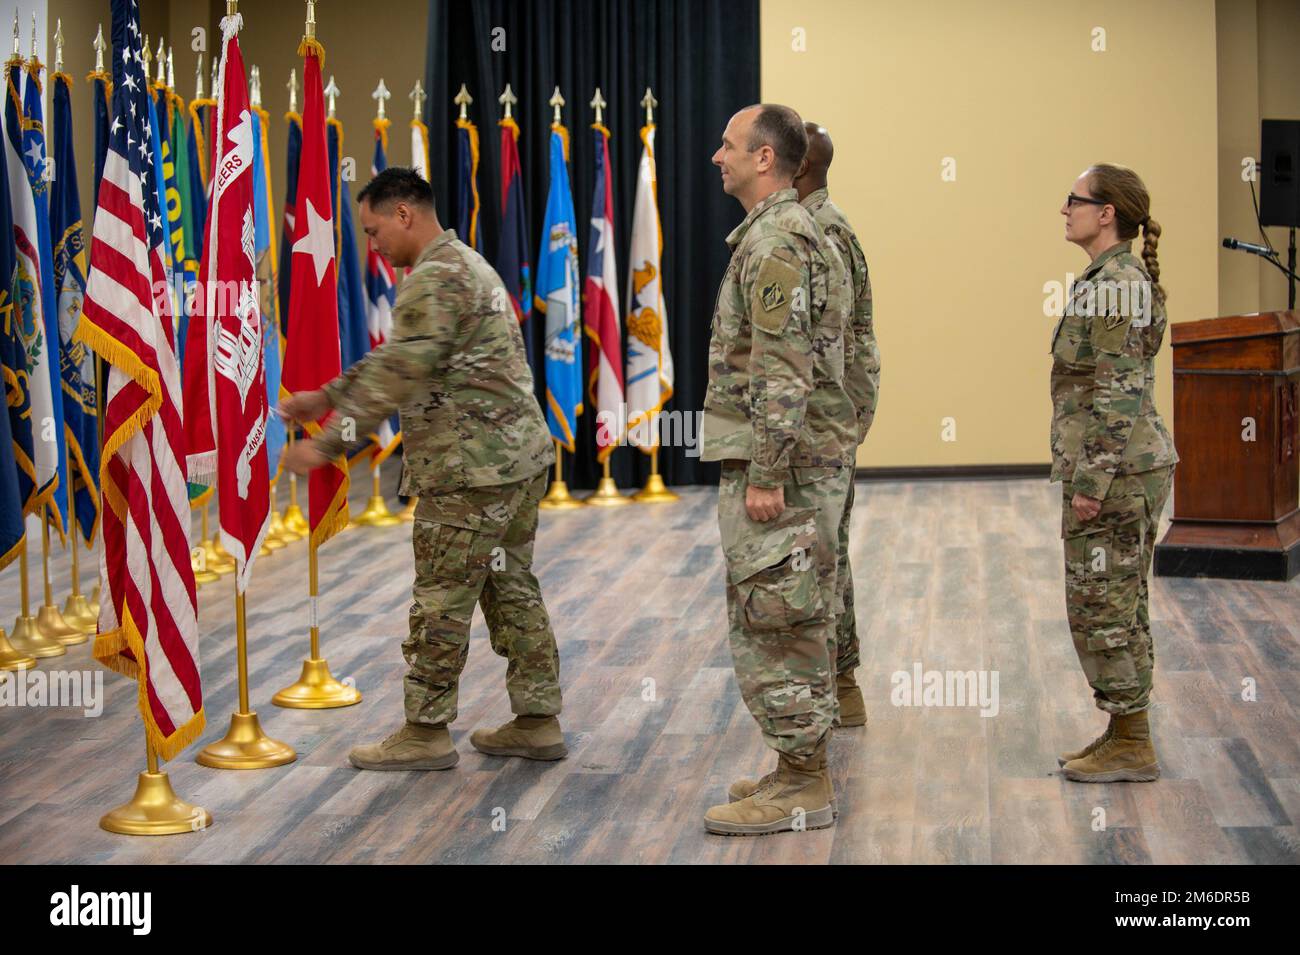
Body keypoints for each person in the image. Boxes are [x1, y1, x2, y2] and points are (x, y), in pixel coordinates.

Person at [281, 167, 563, 771]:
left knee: (440, 600)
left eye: (374, 228)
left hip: (470, 474)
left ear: (404, 214)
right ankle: (538, 721)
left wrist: (328, 445)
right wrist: (328, 395)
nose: (372, 244)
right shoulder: (460, 264)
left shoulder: (434, 277)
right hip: (511, 465)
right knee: (512, 588)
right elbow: (400, 355)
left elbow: (400, 373)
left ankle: (426, 732)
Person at [699, 104, 856, 835]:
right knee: (790, 611)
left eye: (729, 146)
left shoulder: (778, 244)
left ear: (765, 159)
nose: (716, 157)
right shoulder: (782, 234)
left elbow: (783, 370)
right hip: (796, 462)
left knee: (780, 615)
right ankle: (799, 764)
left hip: (782, 472)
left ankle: (803, 782)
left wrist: (765, 470)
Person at [1051, 163, 1177, 782]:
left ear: (1107, 214)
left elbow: (1118, 393)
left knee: (1100, 605)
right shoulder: (1110, 278)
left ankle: (1132, 741)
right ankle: (1125, 730)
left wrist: (1091, 484)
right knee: (1120, 603)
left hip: (1118, 475)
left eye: (1074, 200)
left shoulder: (1117, 284)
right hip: (1124, 469)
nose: (1064, 208)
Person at [792, 121, 880, 729]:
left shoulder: (817, 230)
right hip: (830, 422)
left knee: (814, 561)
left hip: (816, 424)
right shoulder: (827, 222)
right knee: (829, 556)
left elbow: (827, 345)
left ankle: (822, 700)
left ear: (796, 168)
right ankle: (842, 689)